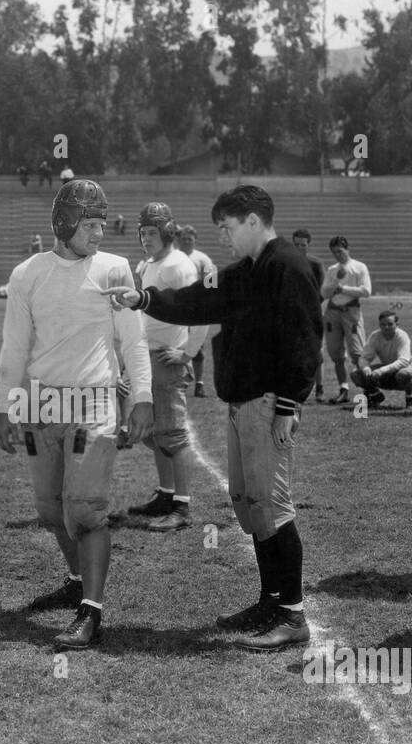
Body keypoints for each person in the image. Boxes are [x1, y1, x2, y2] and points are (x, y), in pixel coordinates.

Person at [104, 185, 322, 650]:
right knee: (249, 503)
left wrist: (288, 404)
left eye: (226, 226)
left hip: (267, 405)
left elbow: (306, 339)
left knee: (272, 505)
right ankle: (270, 600)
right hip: (241, 404)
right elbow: (196, 301)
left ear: (252, 221)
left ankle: (293, 614)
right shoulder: (244, 272)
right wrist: (143, 299)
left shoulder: (288, 266)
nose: (222, 236)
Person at [0, 179, 153, 650]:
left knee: (84, 509)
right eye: (90, 224)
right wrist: (5, 407)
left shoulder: (114, 269)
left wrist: (141, 395)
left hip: (94, 401)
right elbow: (15, 346)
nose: (100, 233)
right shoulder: (27, 273)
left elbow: (134, 339)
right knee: (49, 508)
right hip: (41, 404)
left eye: (102, 224)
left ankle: (91, 611)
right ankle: (74, 578)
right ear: (64, 224)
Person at [124, 202, 207, 532]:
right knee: (151, 432)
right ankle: (166, 493)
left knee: (172, 434)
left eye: (152, 232)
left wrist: (187, 352)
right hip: (147, 356)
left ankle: (182, 508)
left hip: (166, 359)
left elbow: (200, 311)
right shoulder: (149, 264)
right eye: (143, 232)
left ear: (168, 233)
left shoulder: (178, 266)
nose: (146, 238)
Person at [321, 235, 372, 404]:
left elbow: (366, 291)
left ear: (347, 249)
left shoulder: (359, 267)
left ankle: (369, 389)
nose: (338, 255)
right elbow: (324, 293)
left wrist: (344, 288)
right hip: (333, 312)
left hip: (351, 311)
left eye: (340, 251)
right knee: (335, 352)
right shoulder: (332, 270)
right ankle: (343, 388)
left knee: (357, 352)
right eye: (334, 252)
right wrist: (336, 280)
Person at [176, 224, 218, 398]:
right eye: (184, 239)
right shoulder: (173, 257)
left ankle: (199, 383)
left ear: (195, 240)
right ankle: (180, 380)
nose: (186, 242)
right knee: (177, 346)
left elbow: (212, 284)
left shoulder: (203, 259)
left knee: (197, 347)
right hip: (176, 307)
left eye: (189, 239)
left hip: (195, 308)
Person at [290, 230, 327, 401]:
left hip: (312, 315)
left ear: (308, 245)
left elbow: (323, 291)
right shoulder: (286, 262)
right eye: (296, 244)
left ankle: (319, 389)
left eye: (302, 245)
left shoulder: (316, 264)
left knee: (316, 353)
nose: (299, 247)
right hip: (291, 315)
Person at [352, 311, 412, 409]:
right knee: (356, 374)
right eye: (383, 324)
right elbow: (364, 357)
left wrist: (381, 371)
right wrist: (365, 368)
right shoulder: (375, 336)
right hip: (386, 368)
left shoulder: (402, 336)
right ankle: (375, 395)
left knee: (405, 374)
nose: (386, 327)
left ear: (397, 324)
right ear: (379, 325)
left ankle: (409, 399)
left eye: (390, 324)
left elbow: (404, 361)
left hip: (402, 369)